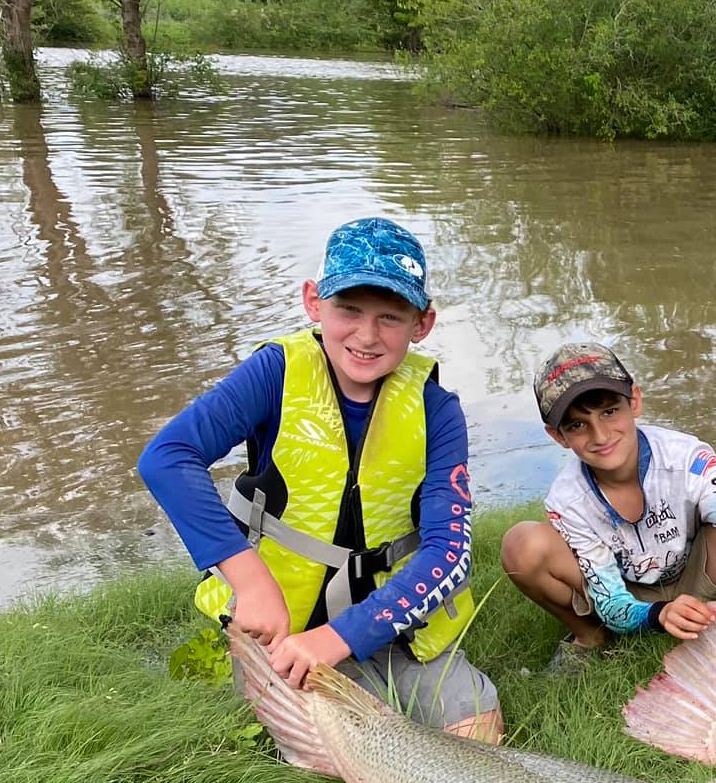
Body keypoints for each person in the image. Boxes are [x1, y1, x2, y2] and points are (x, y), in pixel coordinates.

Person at [139, 217, 501, 740]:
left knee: (480, 732)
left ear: (422, 323)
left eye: (390, 317)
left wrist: (339, 638)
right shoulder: (273, 374)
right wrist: (251, 582)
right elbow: (167, 457)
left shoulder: (437, 410)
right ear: (314, 302)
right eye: (348, 310)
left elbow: (448, 552)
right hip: (283, 626)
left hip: (388, 625)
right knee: (334, 751)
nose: (367, 335)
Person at [500, 343, 716, 673]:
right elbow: (610, 601)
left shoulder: (686, 455)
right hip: (633, 598)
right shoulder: (567, 500)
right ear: (557, 436)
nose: (600, 435)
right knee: (522, 544)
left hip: (699, 575)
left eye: (610, 412)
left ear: (634, 401)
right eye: (578, 425)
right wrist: (657, 615)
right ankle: (591, 639)